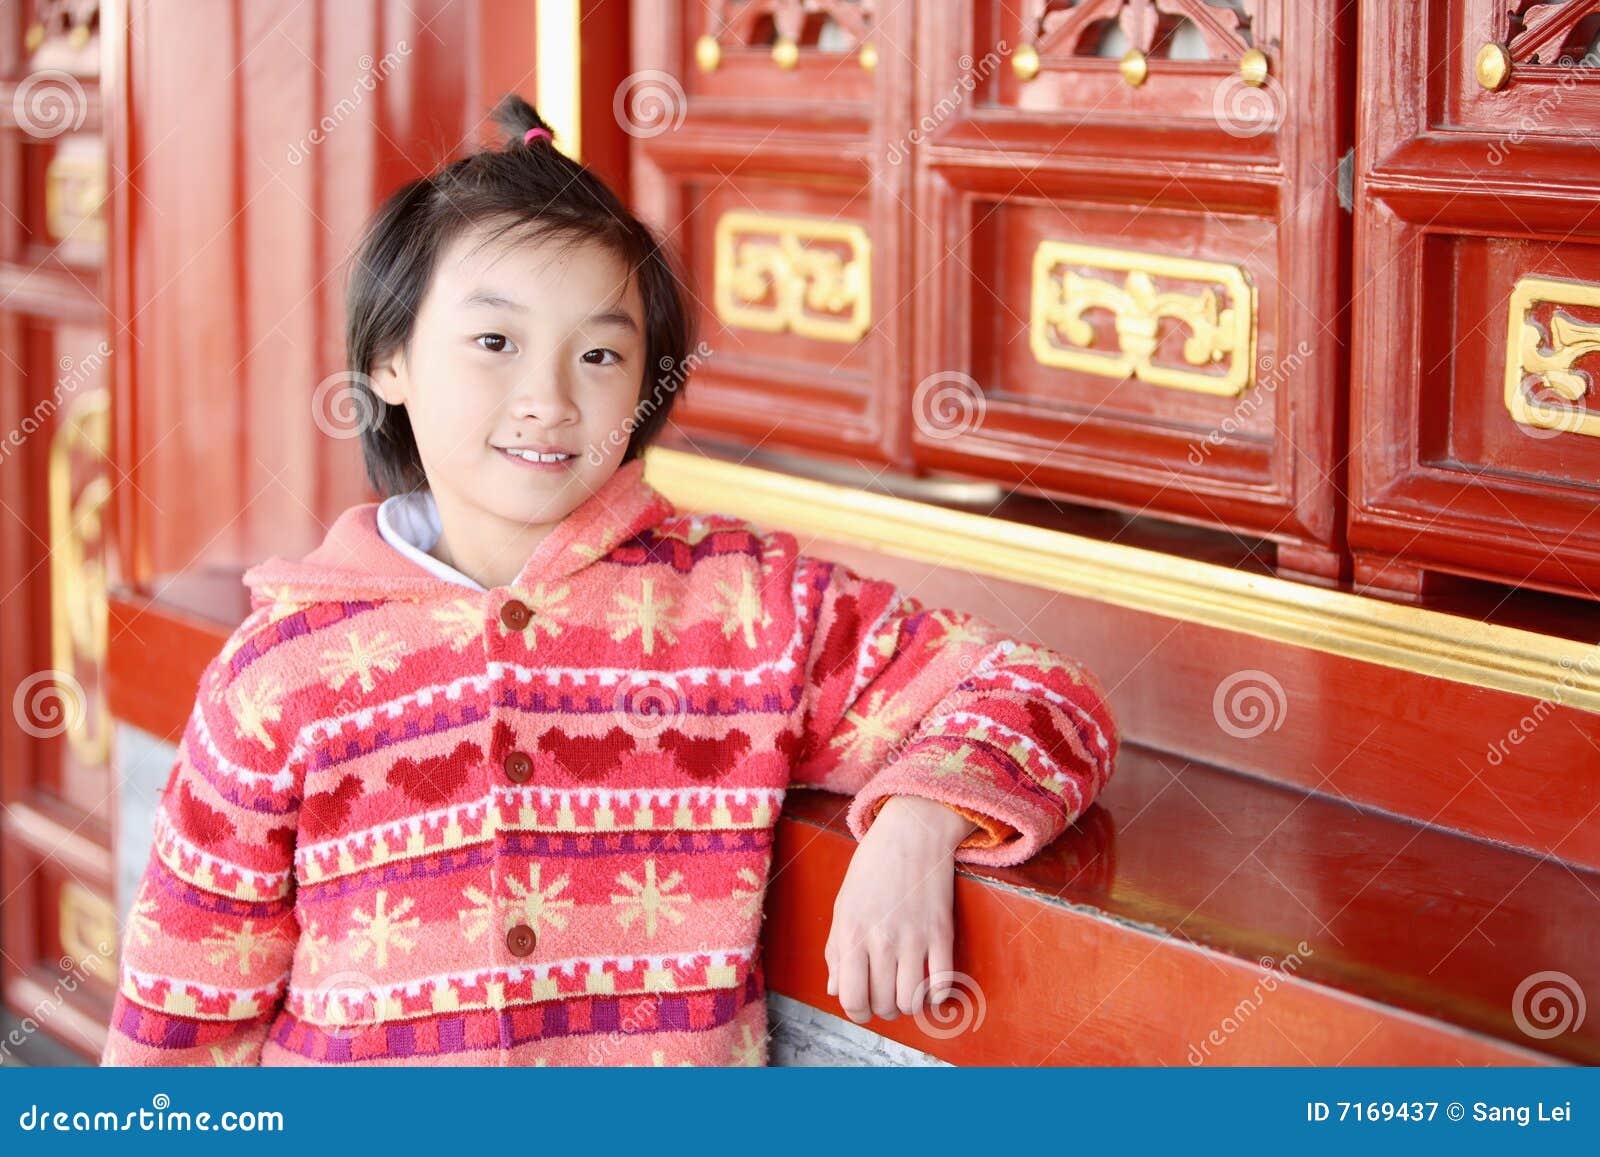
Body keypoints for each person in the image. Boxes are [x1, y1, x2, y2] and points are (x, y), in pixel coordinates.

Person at [100, 94, 1119, 1067]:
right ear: (388, 360)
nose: (546, 398)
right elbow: (183, 1014)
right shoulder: (281, 669)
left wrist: (919, 819)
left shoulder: (746, 607)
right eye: (494, 342)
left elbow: (1040, 691)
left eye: (598, 353)